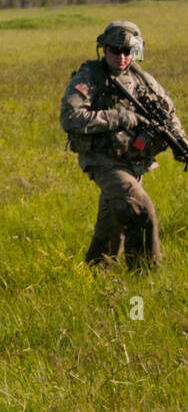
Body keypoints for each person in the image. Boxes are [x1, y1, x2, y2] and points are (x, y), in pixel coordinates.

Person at [59, 21, 186, 271]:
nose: (121, 57)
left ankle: (96, 275)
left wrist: (181, 142)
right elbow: (70, 118)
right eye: (115, 50)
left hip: (134, 161)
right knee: (141, 211)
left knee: (112, 225)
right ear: (104, 49)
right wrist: (120, 117)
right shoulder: (91, 77)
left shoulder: (142, 79)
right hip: (104, 161)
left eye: (127, 51)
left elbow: (168, 112)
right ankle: (144, 277)